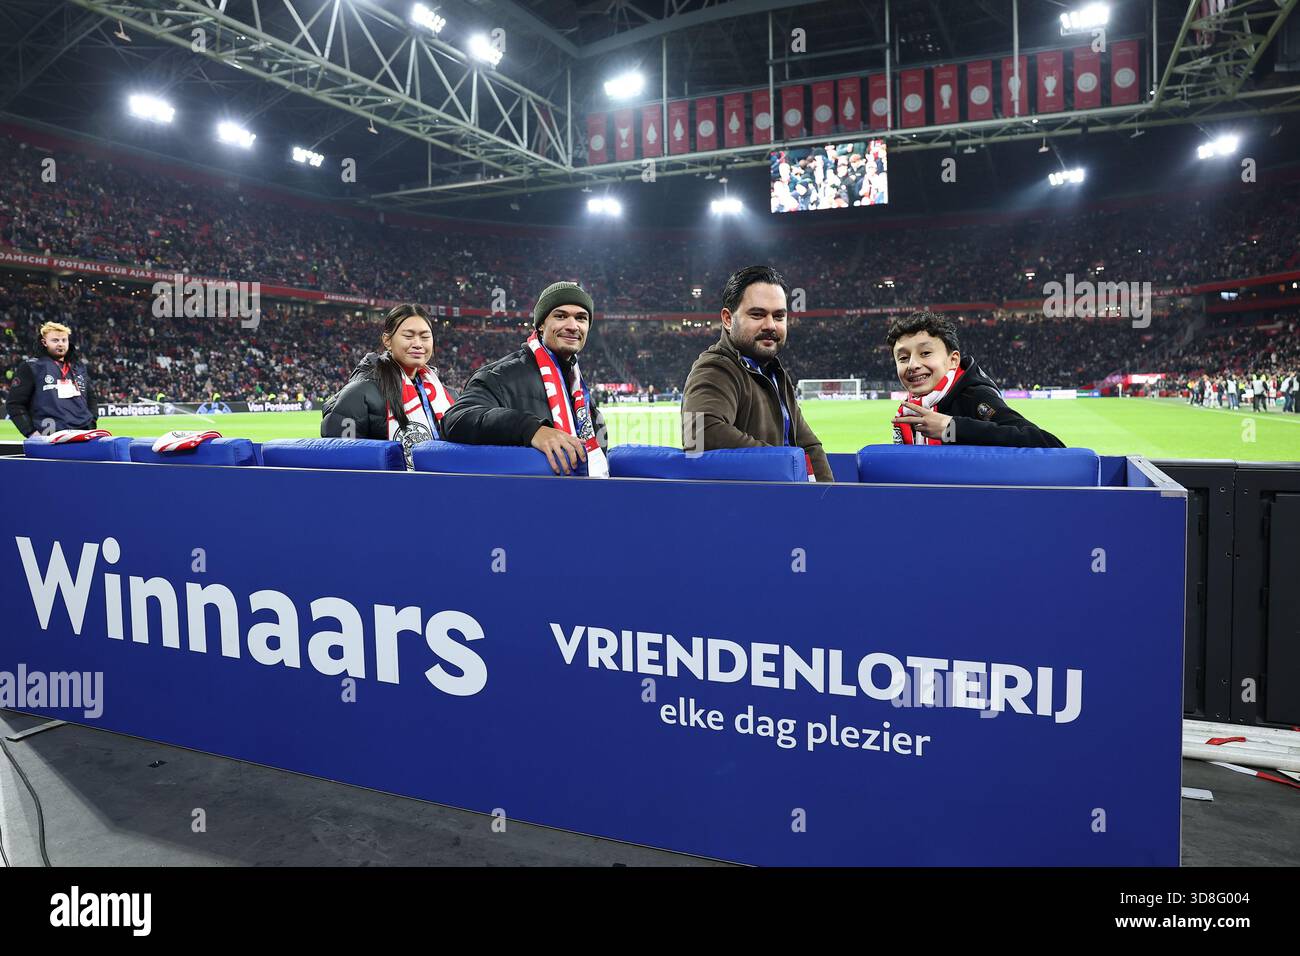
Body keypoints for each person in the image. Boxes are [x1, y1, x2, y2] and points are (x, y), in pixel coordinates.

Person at [680, 265, 833, 482]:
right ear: (727, 319)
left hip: (784, 503)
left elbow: (808, 445)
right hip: (744, 509)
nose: (770, 325)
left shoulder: (775, 373)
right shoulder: (715, 368)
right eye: (757, 314)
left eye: (779, 316)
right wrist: (782, 463)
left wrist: (826, 500)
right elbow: (698, 435)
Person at [441, 281, 608, 477]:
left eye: (581, 318)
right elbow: (455, 420)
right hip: (522, 501)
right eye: (560, 316)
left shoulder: (579, 391)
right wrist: (531, 429)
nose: (572, 326)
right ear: (540, 325)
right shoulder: (501, 375)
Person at [887, 311, 1064, 447]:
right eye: (903, 358)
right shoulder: (911, 407)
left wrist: (953, 429)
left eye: (925, 353)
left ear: (953, 360)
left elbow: (1049, 444)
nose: (912, 365)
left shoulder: (974, 396)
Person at [320, 304, 455, 468]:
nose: (418, 344)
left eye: (425, 337)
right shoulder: (359, 394)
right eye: (408, 336)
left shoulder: (448, 396)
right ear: (387, 340)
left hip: (441, 490)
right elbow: (340, 461)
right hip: (384, 490)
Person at [5, 321, 97, 437]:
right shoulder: (31, 367)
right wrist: (31, 433)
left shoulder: (78, 367)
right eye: (55, 340)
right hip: (50, 437)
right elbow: (14, 404)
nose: (60, 344)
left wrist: (91, 422)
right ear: (44, 342)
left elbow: (91, 398)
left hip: (84, 435)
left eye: (64, 340)